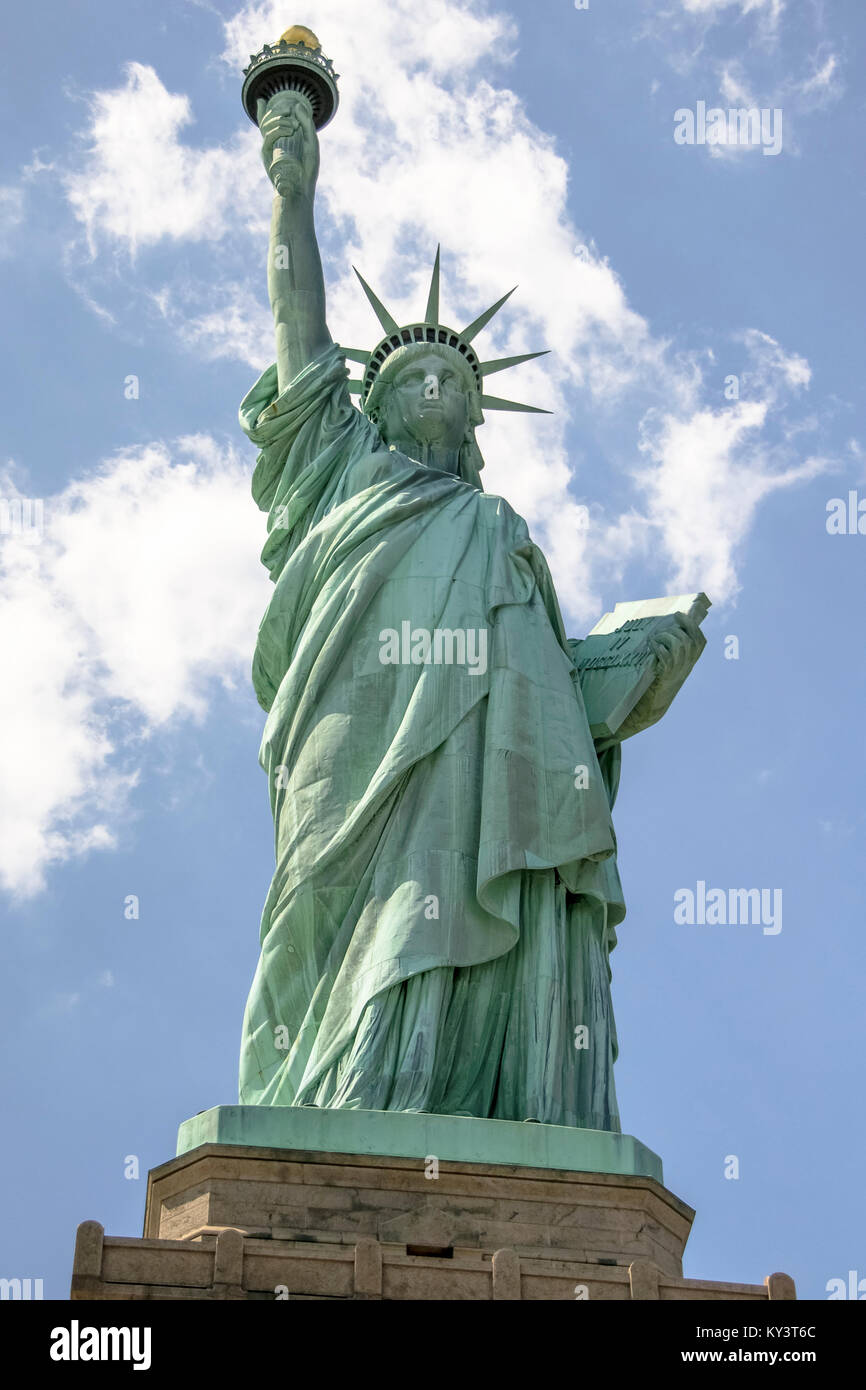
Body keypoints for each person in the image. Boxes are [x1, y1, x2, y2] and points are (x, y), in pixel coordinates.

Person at [237, 90, 703, 1129]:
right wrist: (292, 200)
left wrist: (638, 665)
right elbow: (298, 333)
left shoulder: (500, 531)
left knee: (482, 897)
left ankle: (489, 1111)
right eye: (415, 376)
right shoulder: (340, 471)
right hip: (356, 738)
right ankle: (336, 1099)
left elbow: (555, 692)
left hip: (490, 771)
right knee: (324, 915)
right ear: (376, 400)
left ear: (478, 418)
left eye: (456, 377)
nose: (439, 389)